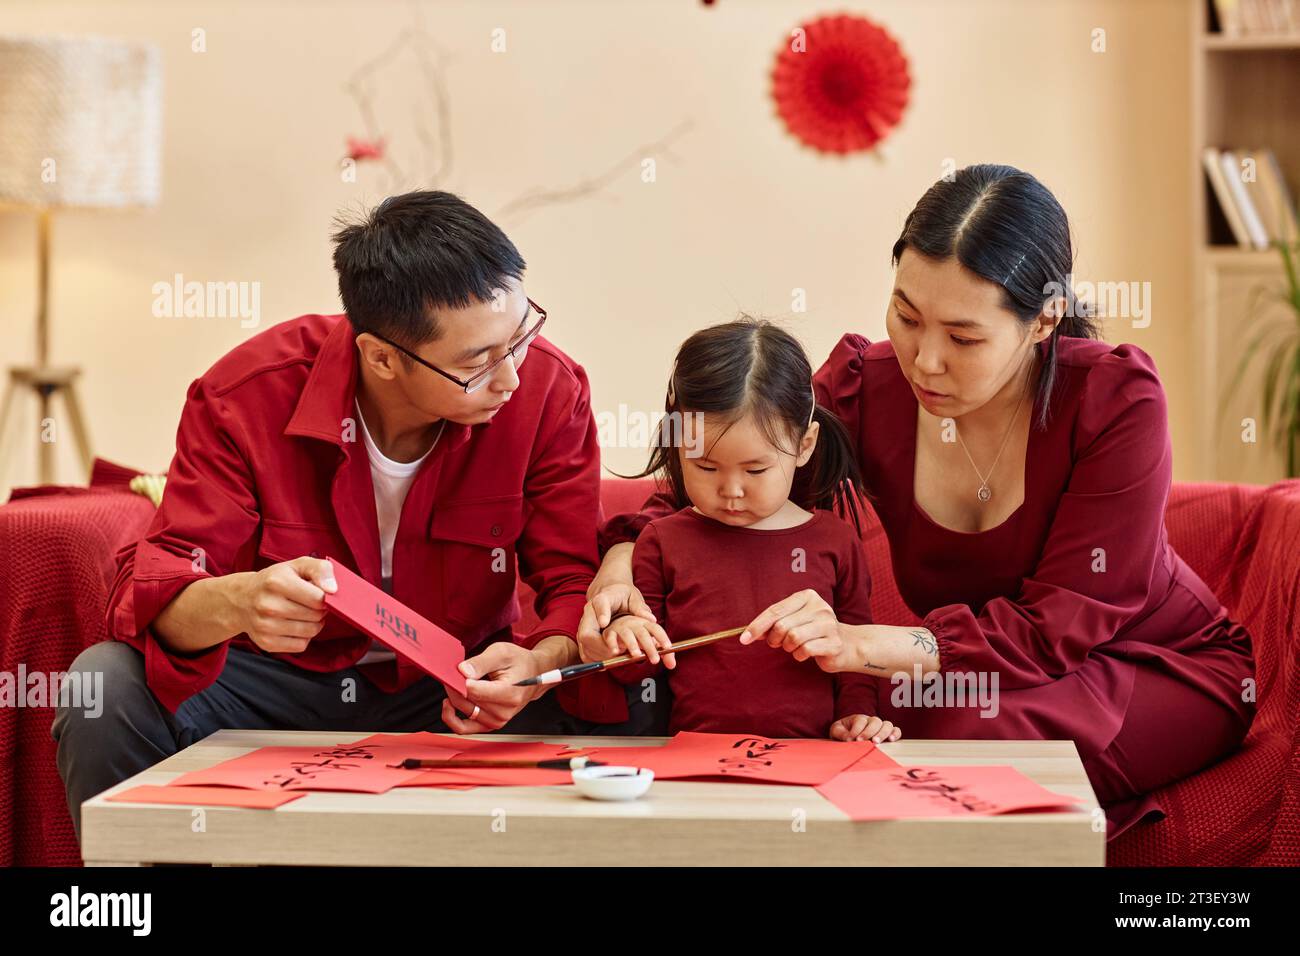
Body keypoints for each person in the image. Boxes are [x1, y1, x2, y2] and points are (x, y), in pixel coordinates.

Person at [586, 164, 1257, 842]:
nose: (924, 361)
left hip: (1154, 662)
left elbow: (1058, 630)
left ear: (1043, 320)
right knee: (908, 708)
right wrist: (619, 565)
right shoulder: (866, 387)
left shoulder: (1113, 402)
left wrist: (860, 643)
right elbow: (730, 465)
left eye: (963, 338)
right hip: (1004, 676)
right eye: (906, 316)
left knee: (942, 720)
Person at [53, 190, 605, 843]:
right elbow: (156, 595)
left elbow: (572, 578)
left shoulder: (548, 391)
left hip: (462, 687)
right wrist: (241, 600)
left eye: (520, 335)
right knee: (107, 685)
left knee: (619, 691)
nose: (510, 377)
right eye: (475, 362)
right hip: (281, 684)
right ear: (381, 357)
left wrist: (541, 662)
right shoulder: (246, 394)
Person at [581, 319, 902, 743]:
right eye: (706, 467)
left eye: (756, 469)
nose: (731, 491)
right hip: (692, 761)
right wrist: (623, 641)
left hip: (814, 757)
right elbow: (643, 668)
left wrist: (858, 715)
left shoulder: (835, 540)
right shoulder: (662, 541)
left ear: (804, 445)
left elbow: (852, 652)